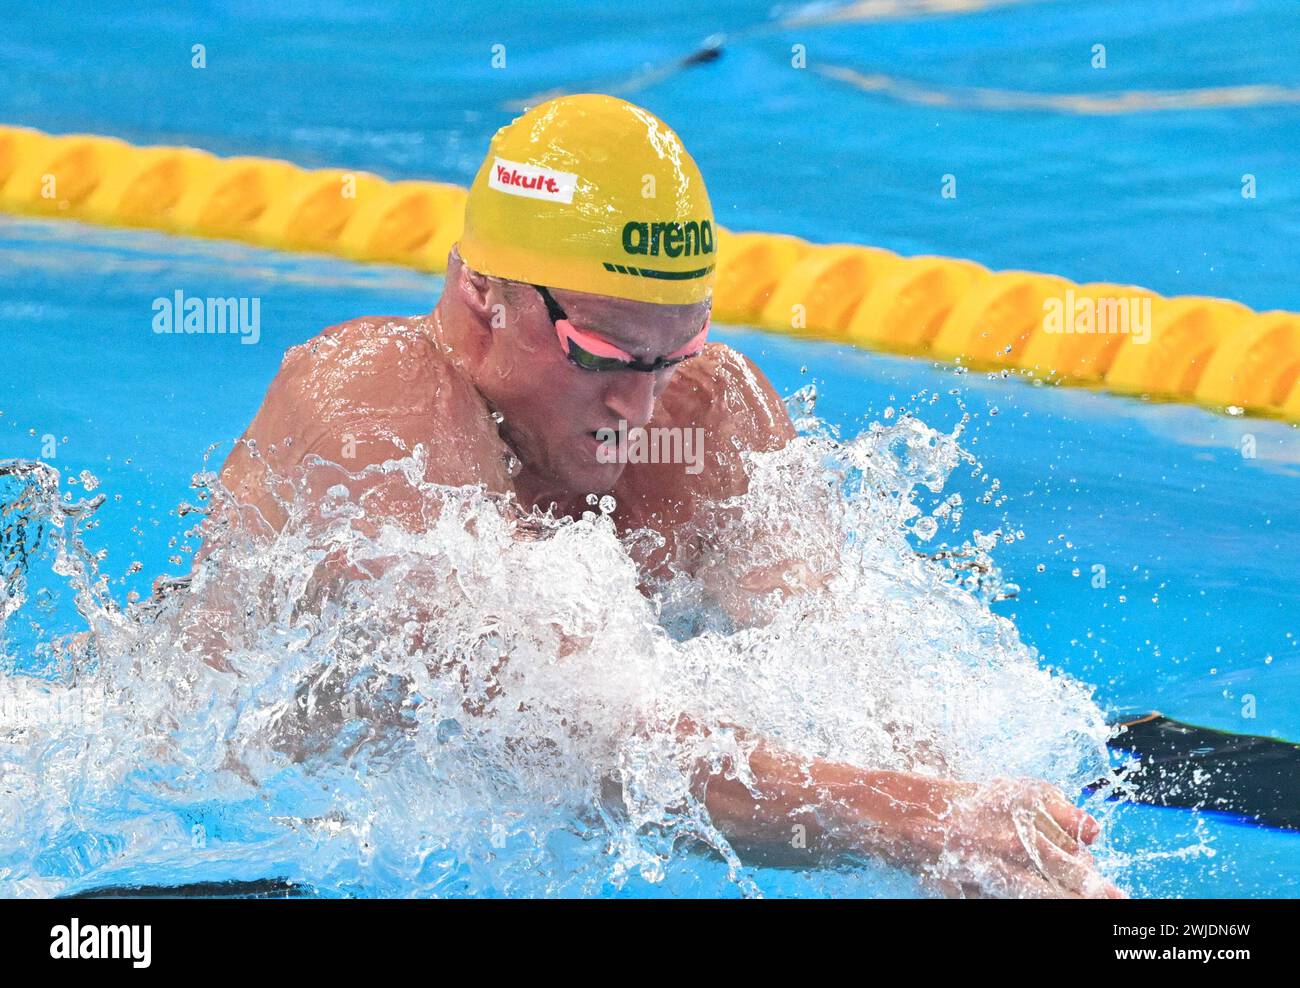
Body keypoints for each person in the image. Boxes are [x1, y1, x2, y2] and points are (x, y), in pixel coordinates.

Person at [210, 94, 1123, 898]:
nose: (639, 408)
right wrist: (915, 821)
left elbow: (842, 669)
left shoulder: (708, 412)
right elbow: (566, 738)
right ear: (483, 294)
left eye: (671, 355)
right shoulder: (375, 405)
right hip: (250, 840)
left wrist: (975, 834)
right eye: (603, 357)